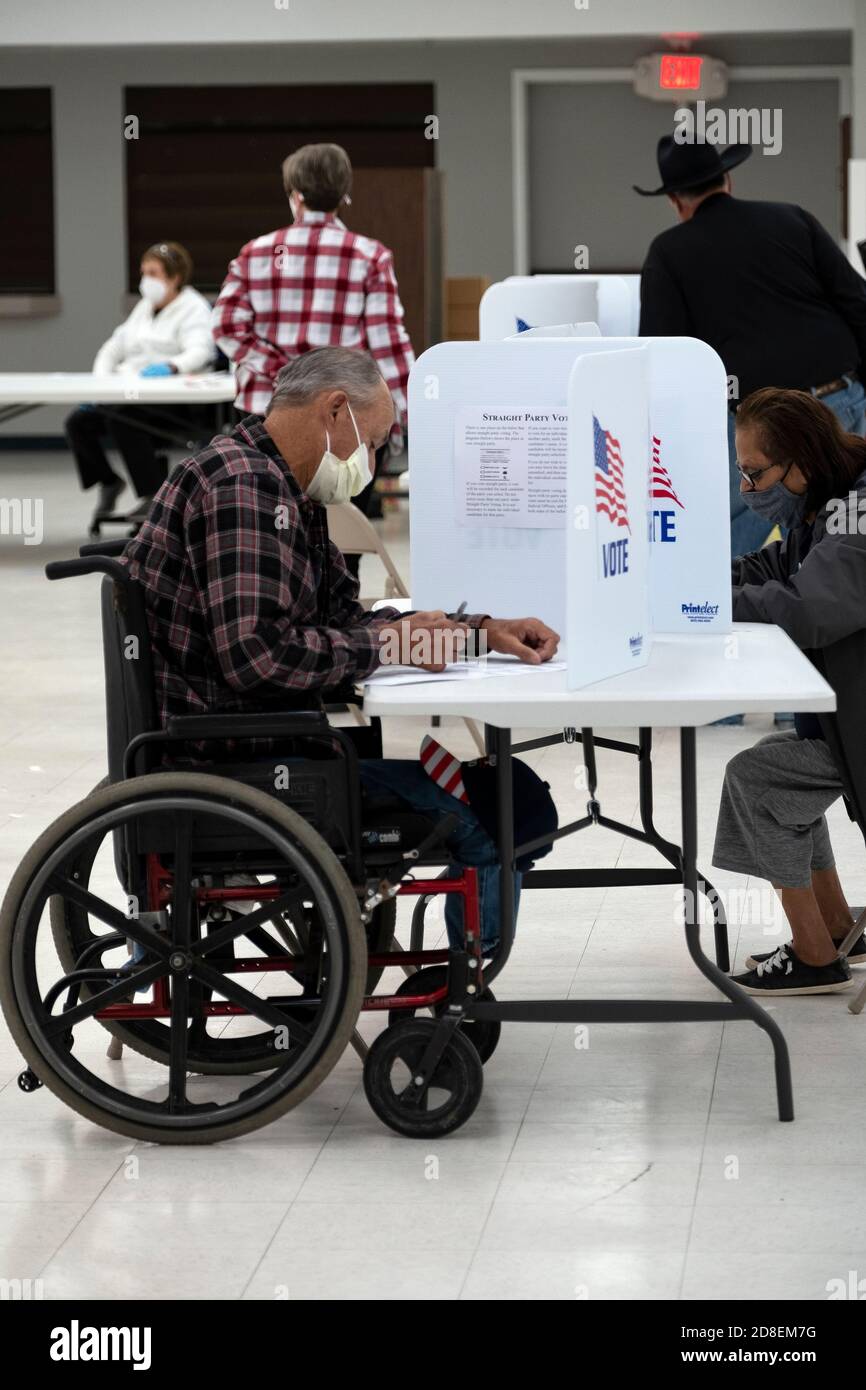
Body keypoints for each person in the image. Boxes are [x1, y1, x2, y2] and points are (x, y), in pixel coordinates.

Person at [123, 347, 559, 953]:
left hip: (247, 746)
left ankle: (458, 981)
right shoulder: (244, 491)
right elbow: (259, 656)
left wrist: (477, 631)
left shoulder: (277, 486)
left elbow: (341, 620)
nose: (373, 462)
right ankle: (461, 997)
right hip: (240, 766)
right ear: (335, 411)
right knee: (508, 808)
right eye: (374, 441)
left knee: (510, 791)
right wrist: (386, 645)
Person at [636, 136, 866, 561]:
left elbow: (665, 356)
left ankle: (717, 613)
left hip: (756, 425)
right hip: (838, 400)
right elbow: (856, 301)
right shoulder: (794, 219)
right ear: (728, 179)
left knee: (725, 545)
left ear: (674, 200)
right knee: (847, 537)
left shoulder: (669, 253)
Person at [711, 387, 866, 995]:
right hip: (845, 713)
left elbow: (813, 605)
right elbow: (779, 571)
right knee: (780, 772)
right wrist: (695, 581)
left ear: (799, 460)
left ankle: (815, 957)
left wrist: (707, 608)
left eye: (755, 473)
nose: (747, 489)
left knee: (757, 780)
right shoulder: (827, 499)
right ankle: (831, 926)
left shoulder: (857, 510)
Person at [211, 142, 414, 544]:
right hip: (345, 421)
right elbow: (389, 349)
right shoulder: (369, 257)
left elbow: (227, 327)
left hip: (266, 418)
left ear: (295, 195)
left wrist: (285, 372)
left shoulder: (256, 253)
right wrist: (399, 424)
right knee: (341, 546)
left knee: (263, 535)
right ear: (343, 196)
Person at [66, 241, 215, 528]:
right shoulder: (144, 308)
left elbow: (200, 352)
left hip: (172, 402)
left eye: (153, 273)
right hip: (129, 392)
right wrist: (100, 384)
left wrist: (170, 366)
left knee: (123, 416)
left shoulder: (193, 309)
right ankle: (108, 481)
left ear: (175, 277)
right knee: (78, 423)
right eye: (143, 272)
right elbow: (113, 347)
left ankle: (152, 497)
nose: (146, 280)